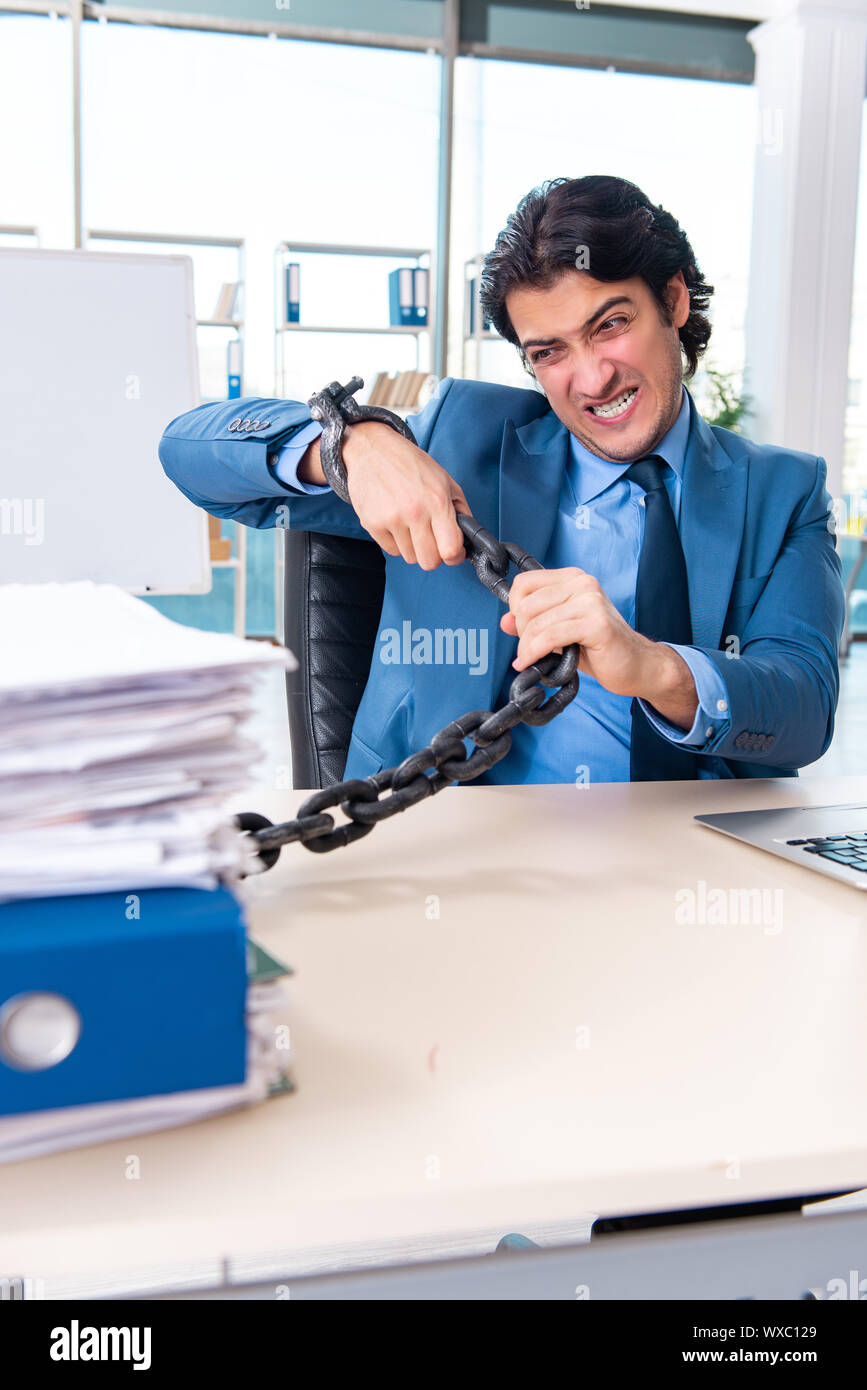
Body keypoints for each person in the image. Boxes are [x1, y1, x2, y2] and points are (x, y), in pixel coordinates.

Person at [159, 175, 845, 786]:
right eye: (548, 352)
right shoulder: (457, 442)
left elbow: (801, 712)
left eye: (608, 326)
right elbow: (189, 451)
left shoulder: (781, 491)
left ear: (671, 301)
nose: (591, 378)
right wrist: (349, 444)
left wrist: (649, 666)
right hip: (453, 843)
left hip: (688, 861)